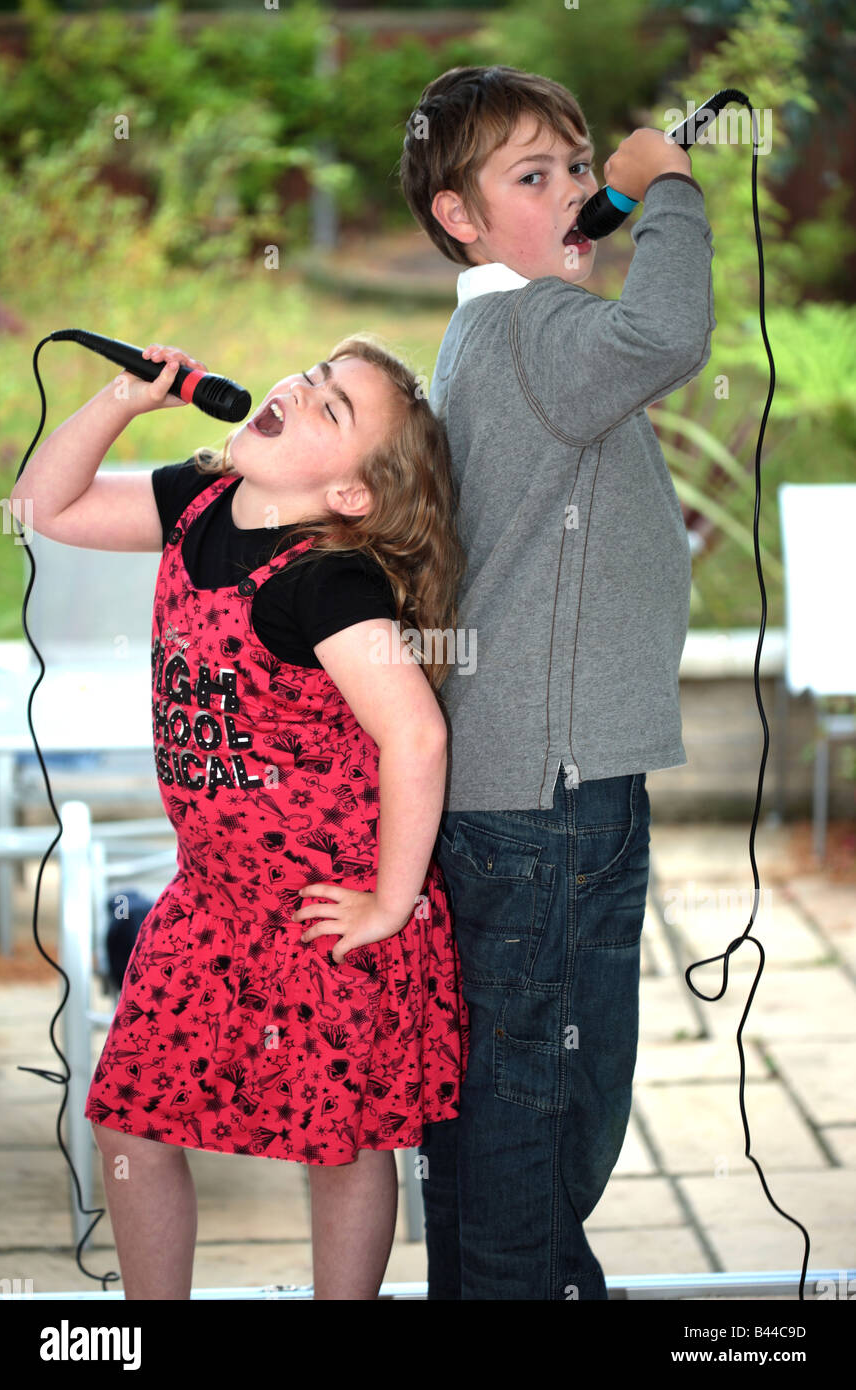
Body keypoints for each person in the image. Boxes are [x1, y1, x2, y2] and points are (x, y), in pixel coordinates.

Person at [9, 332, 469, 1300]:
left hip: (320, 911)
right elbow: (42, 507)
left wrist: (391, 901)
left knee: (338, 1141)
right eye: (310, 376)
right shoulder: (200, 500)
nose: (298, 389)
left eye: (331, 407)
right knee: (130, 1117)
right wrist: (122, 404)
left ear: (353, 496)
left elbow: (416, 738)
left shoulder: (326, 583)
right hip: (210, 901)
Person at [398, 64, 716, 1299]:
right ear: (457, 219)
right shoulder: (535, 327)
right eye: (535, 177)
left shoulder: (503, 328)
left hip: (533, 784)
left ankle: (518, 1280)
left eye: (584, 171)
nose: (581, 193)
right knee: (549, 1103)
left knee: (515, 1098)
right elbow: (669, 334)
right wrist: (671, 186)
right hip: (550, 796)